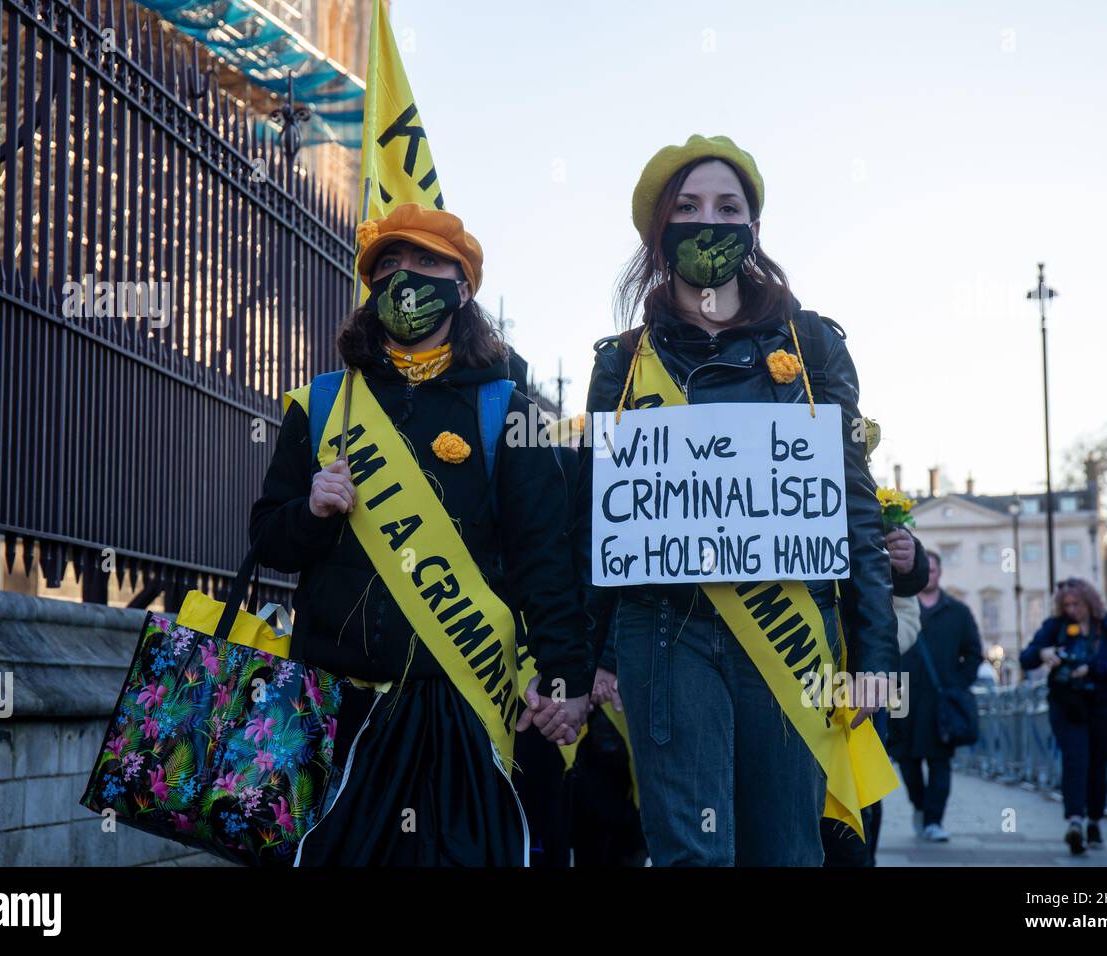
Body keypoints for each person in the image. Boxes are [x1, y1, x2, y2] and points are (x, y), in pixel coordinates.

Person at [576, 135, 899, 866]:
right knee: (693, 854)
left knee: (786, 852)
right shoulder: (620, 365)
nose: (708, 221)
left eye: (728, 206)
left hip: (790, 629)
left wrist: (874, 651)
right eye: (687, 207)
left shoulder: (813, 346)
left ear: (754, 228)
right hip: (663, 631)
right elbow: (594, 520)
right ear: (660, 231)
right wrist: (588, 659)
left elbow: (854, 505)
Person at [248, 203, 590, 866]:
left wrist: (565, 676)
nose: (406, 276)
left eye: (428, 262)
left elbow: (543, 560)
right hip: (335, 707)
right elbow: (269, 540)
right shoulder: (318, 405)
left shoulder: (504, 413)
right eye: (390, 265)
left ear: (462, 288)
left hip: (458, 713)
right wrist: (311, 511)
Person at [821, 523, 929, 866]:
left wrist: (874, 658)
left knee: (860, 789)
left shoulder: (877, 512)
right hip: (795, 669)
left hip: (857, 680)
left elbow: (907, 614)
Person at [1019, 577, 1107, 854]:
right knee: (1075, 760)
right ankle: (1075, 821)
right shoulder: (1055, 627)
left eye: (1077, 604)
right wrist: (1044, 653)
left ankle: (1094, 819)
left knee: (1098, 764)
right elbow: (1027, 657)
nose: (1072, 609)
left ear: (1089, 602)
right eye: (1066, 605)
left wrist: (1093, 669)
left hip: (1103, 705)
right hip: (1067, 704)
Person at [887, 550, 982, 842]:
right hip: (902, 697)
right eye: (924, 568)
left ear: (940, 573)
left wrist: (957, 684)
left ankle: (934, 820)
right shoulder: (899, 606)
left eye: (933, 569)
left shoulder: (958, 611)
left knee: (940, 762)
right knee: (907, 762)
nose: (929, 574)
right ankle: (919, 805)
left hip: (941, 701)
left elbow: (974, 653)